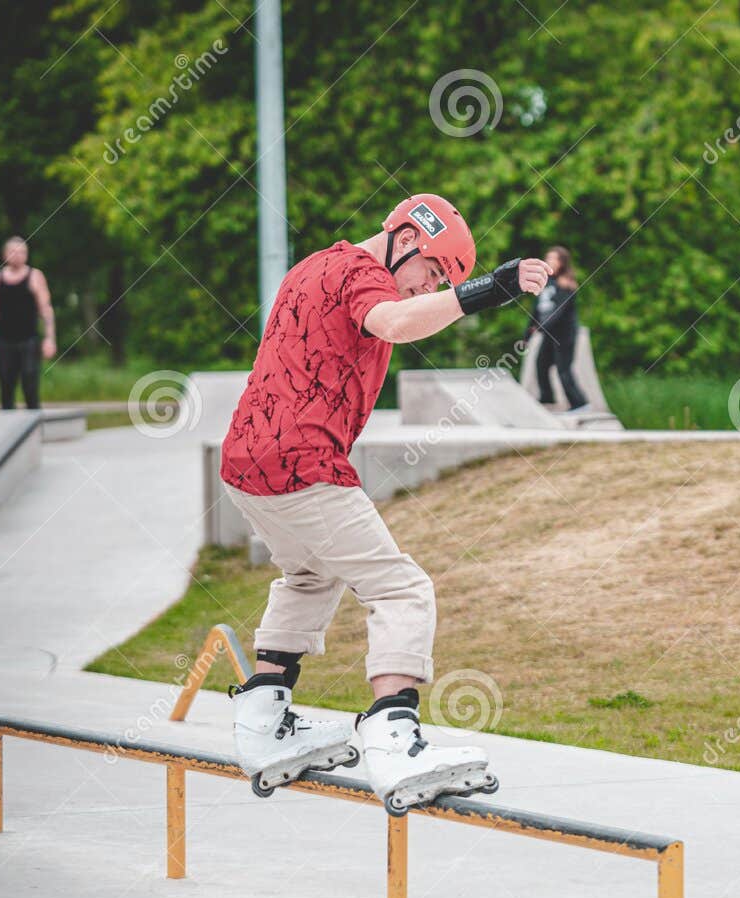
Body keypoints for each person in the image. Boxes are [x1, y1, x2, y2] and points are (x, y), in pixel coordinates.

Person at [220, 194, 550, 813]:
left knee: (309, 574)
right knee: (401, 589)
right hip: (304, 465)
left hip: (245, 462)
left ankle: (262, 719)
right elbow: (393, 323)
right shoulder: (363, 275)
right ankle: (394, 736)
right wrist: (490, 289)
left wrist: (446, 288)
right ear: (404, 239)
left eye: (440, 284)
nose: (427, 289)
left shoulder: (314, 265)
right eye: (430, 273)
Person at [0, 236, 56, 409]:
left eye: (22, 252)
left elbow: (46, 309)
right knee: (6, 387)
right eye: (14, 252)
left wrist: (50, 338)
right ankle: (8, 427)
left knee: (30, 384)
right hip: (5, 341)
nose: (18, 255)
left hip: (29, 340)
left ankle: (34, 425)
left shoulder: (35, 276)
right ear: (5, 254)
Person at [525, 244, 590, 413]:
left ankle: (580, 403)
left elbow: (558, 311)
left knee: (563, 369)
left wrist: (541, 327)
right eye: (548, 258)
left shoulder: (566, 284)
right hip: (548, 333)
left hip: (564, 334)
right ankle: (547, 398)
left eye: (553, 259)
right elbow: (536, 310)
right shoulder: (544, 282)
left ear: (562, 263)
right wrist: (527, 335)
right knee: (541, 364)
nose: (549, 261)